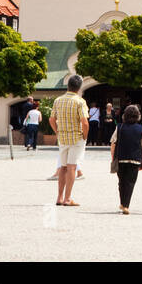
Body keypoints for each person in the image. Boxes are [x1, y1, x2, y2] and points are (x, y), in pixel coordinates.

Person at [51, 74, 90, 207]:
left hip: (62, 138)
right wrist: (85, 136)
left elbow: (51, 119)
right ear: (79, 88)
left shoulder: (58, 100)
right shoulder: (80, 101)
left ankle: (59, 197)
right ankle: (68, 198)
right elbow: (85, 122)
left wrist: (57, 132)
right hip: (76, 137)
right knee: (72, 167)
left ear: (68, 85)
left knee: (63, 167)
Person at [110, 104, 142, 214]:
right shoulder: (141, 129)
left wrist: (113, 157)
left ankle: (122, 203)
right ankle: (126, 205)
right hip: (135, 159)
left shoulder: (119, 127)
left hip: (121, 158)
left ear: (124, 115)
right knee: (130, 182)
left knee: (121, 182)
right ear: (138, 116)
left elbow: (113, 143)